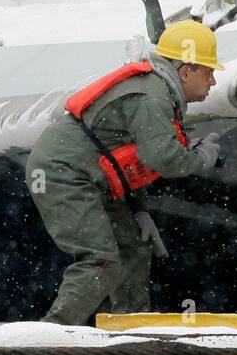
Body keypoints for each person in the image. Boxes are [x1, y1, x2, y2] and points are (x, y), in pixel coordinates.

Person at [27, 19, 224, 325]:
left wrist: (139, 209)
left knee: (132, 246)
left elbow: (127, 160)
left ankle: (130, 325)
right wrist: (202, 157)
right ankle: (51, 335)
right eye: (208, 72)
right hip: (63, 173)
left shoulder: (157, 90)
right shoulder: (153, 98)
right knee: (100, 259)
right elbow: (165, 160)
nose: (212, 81)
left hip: (90, 177)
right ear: (186, 71)